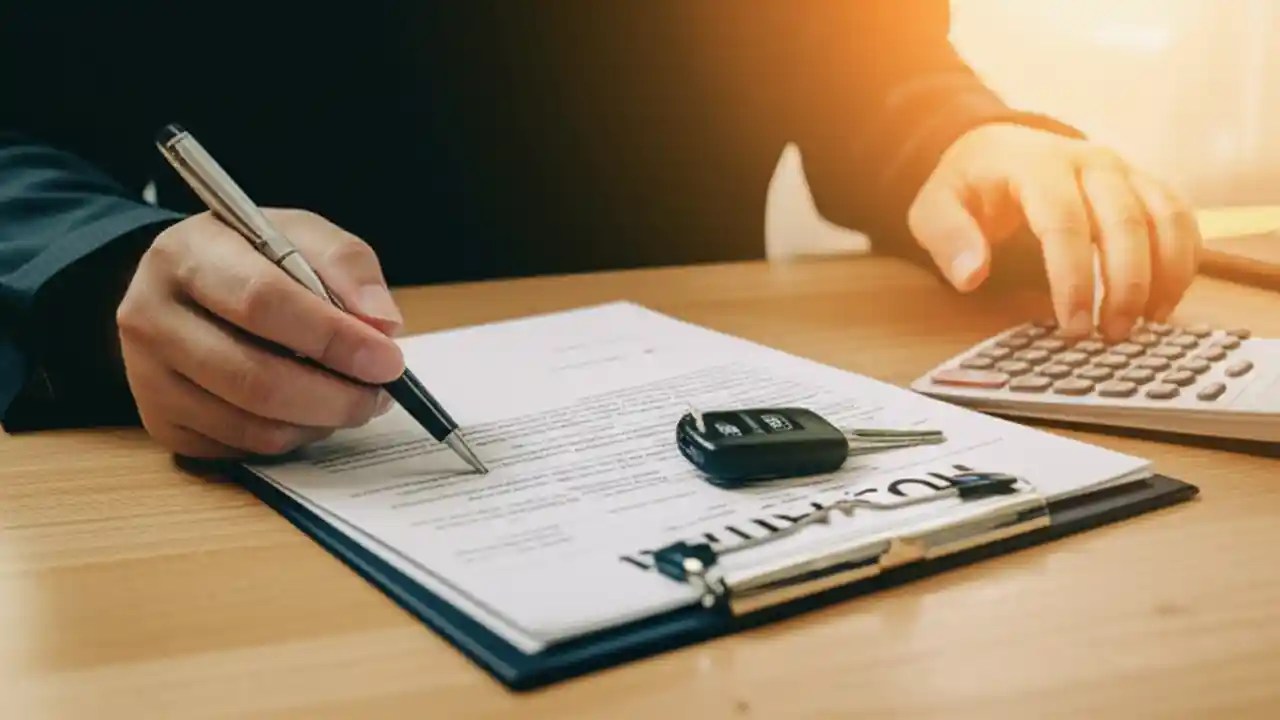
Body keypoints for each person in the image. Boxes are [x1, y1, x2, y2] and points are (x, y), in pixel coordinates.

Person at [0, 3, 1200, 457]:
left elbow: (847, 52)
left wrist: (956, 136)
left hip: (686, 420)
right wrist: (104, 262)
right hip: (248, 462)